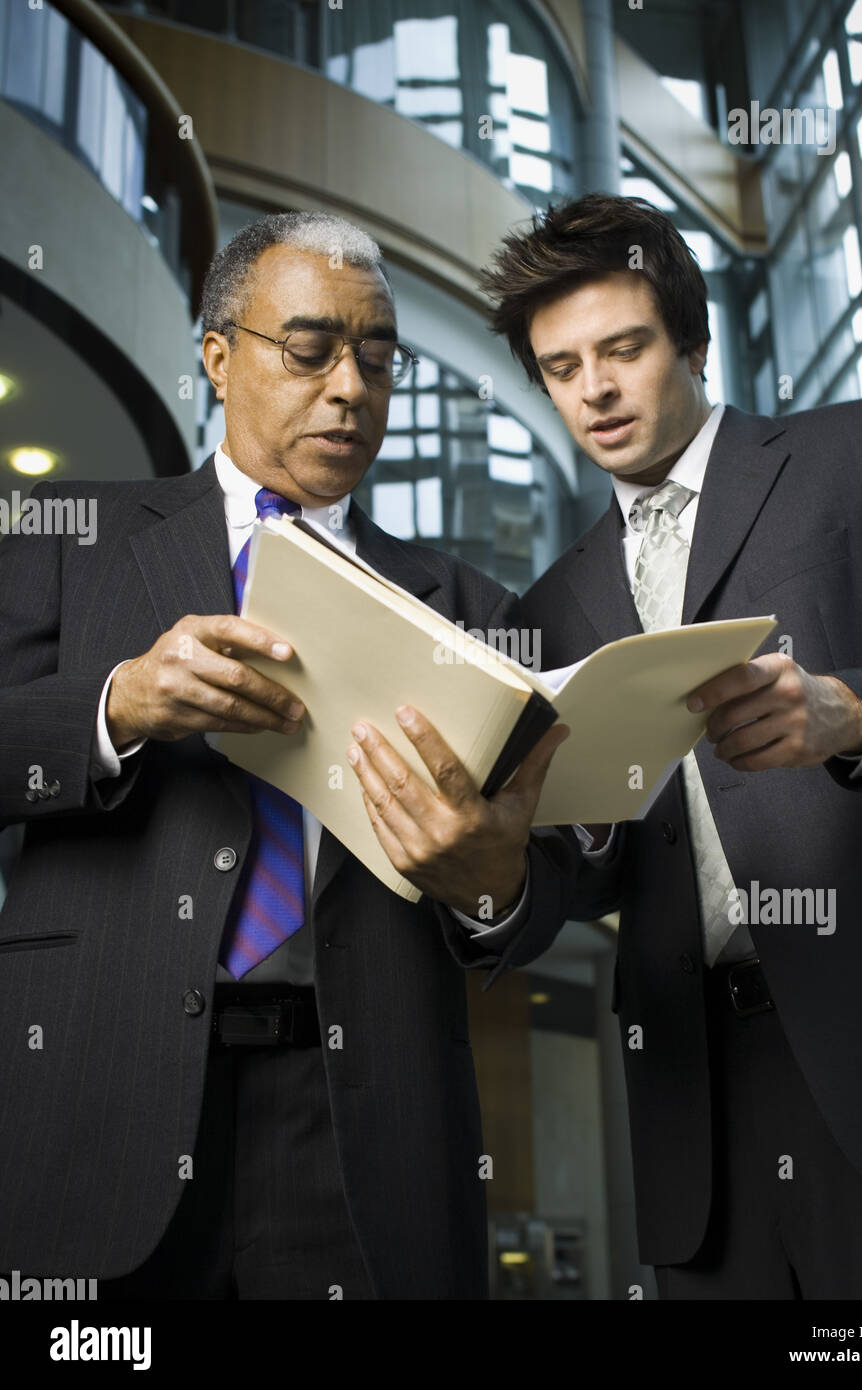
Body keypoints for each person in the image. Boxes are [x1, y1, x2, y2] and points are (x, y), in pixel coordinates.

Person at [0, 210, 573, 1300]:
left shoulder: (474, 610)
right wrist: (116, 705)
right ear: (218, 357)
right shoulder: (73, 537)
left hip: (366, 1129)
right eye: (309, 352)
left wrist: (493, 882)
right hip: (94, 1094)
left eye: (375, 358)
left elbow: (563, 877)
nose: (349, 388)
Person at [480, 193, 862, 1299]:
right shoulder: (552, 603)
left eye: (623, 349)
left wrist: (853, 713)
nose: (594, 389)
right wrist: (499, 857)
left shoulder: (857, 448)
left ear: (691, 343)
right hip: (691, 1096)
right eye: (561, 368)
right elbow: (594, 858)